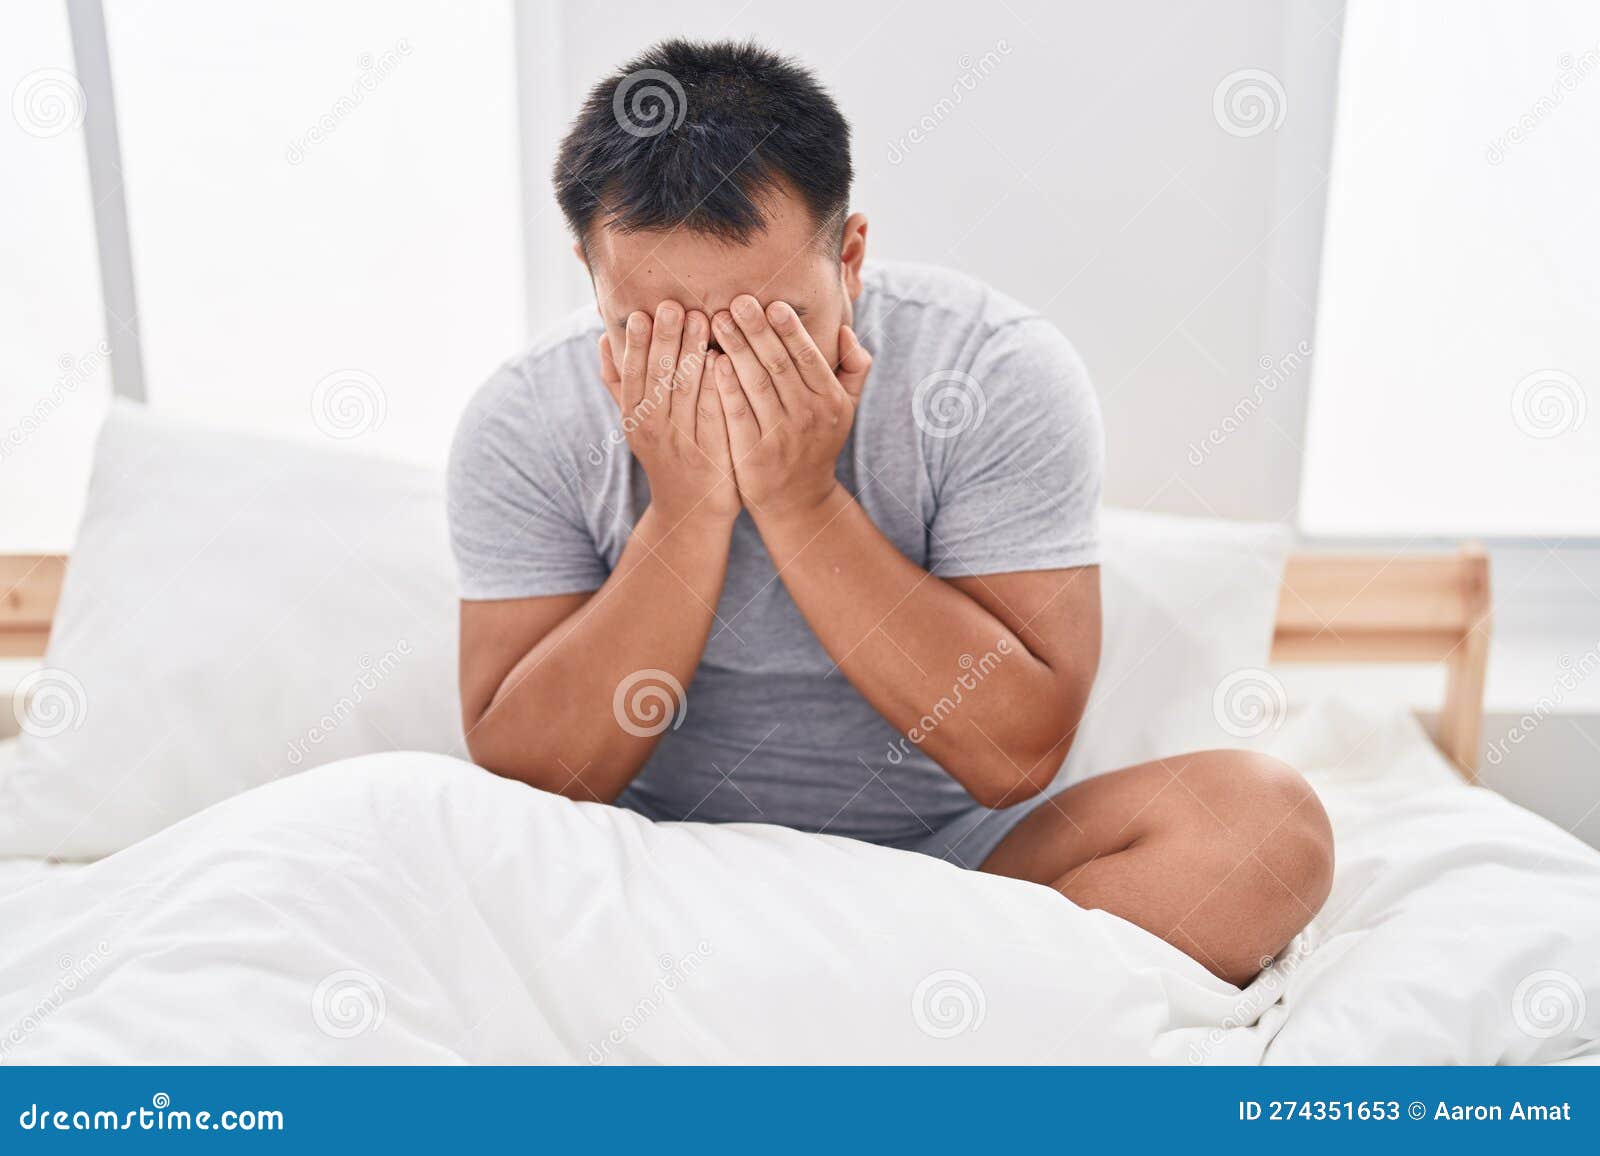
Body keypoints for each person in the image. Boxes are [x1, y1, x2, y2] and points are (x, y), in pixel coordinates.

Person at [447, 39, 1332, 986]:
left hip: (962, 874)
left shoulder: (991, 371)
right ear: (591, 270)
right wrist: (688, 510)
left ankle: (872, 1001)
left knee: (1265, 828)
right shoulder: (528, 417)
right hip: (650, 874)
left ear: (851, 258)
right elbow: (529, 784)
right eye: (655, 330)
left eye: (767, 325)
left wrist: (801, 500)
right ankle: (911, 1017)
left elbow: (1016, 756)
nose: (719, 373)